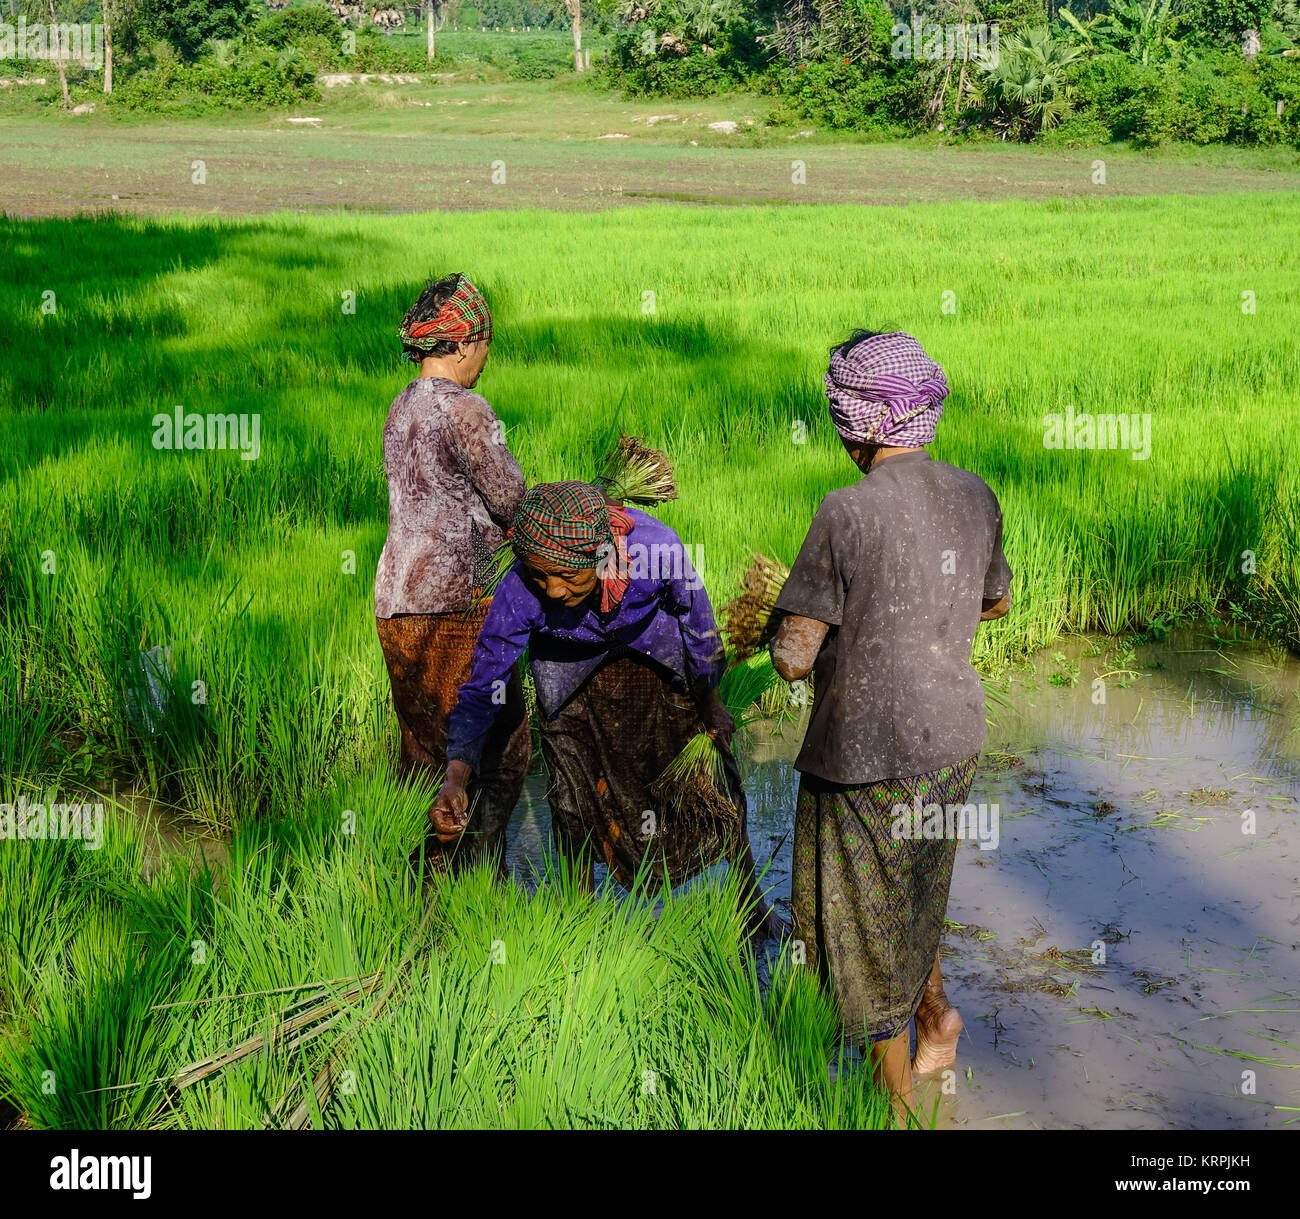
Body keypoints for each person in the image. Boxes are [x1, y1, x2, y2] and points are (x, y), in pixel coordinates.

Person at [769, 330, 1012, 1120]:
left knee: (865, 932)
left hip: (866, 755)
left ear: (859, 421)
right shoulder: (975, 494)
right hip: (953, 742)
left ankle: (896, 1106)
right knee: (914, 895)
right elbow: (997, 600)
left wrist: (786, 622)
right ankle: (938, 1020)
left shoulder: (846, 510)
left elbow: (794, 659)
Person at [430, 480, 782, 938]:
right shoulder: (521, 589)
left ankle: (750, 905)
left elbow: (699, 628)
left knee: (713, 784)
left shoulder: (658, 550)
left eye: (567, 576)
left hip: (653, 663)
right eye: (541, 576)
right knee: (570, 802)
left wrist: (710, 704)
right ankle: (578, 921)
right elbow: (482, 685)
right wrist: (456, 776)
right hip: (569, 679)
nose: (553, 591)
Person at [374, 272, 531, 877]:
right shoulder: (466, 411)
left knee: (423, 748)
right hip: (455, 607)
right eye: (485, 344)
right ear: (463, 344)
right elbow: (512, 501)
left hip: (396, 603)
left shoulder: (401, 407)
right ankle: (469, 880)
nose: (487, 358)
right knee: (505, 745)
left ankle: (412, 881)